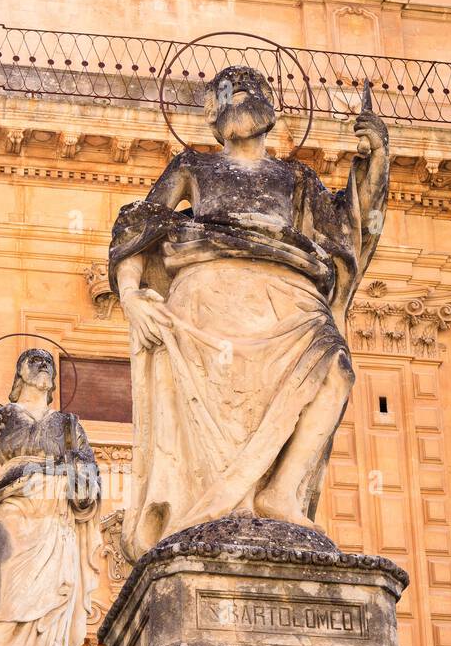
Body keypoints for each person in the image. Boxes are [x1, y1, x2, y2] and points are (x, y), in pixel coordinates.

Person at [110, 64, 390, 561]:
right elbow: (141, 225)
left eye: (249, 90)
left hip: (292, 294)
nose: (237, 96)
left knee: (337, 372)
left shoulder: (296, 178)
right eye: (226, 94)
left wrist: (375, 162)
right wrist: (130, 294)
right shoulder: (194, 168)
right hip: (209, 292)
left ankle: (281, 491)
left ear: (271, 107)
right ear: (213, 117)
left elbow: (351, 231)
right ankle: (220, 508)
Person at [0, 349, 102, 646]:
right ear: (19, 374)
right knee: (1, 568)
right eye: (33, 361)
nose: (43, 365)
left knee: (50, 586)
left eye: (48, 362)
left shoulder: (67, 424)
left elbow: (89, 472)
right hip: (14, 506)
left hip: (53, 514)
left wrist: (77, 482)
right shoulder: (2, 418)